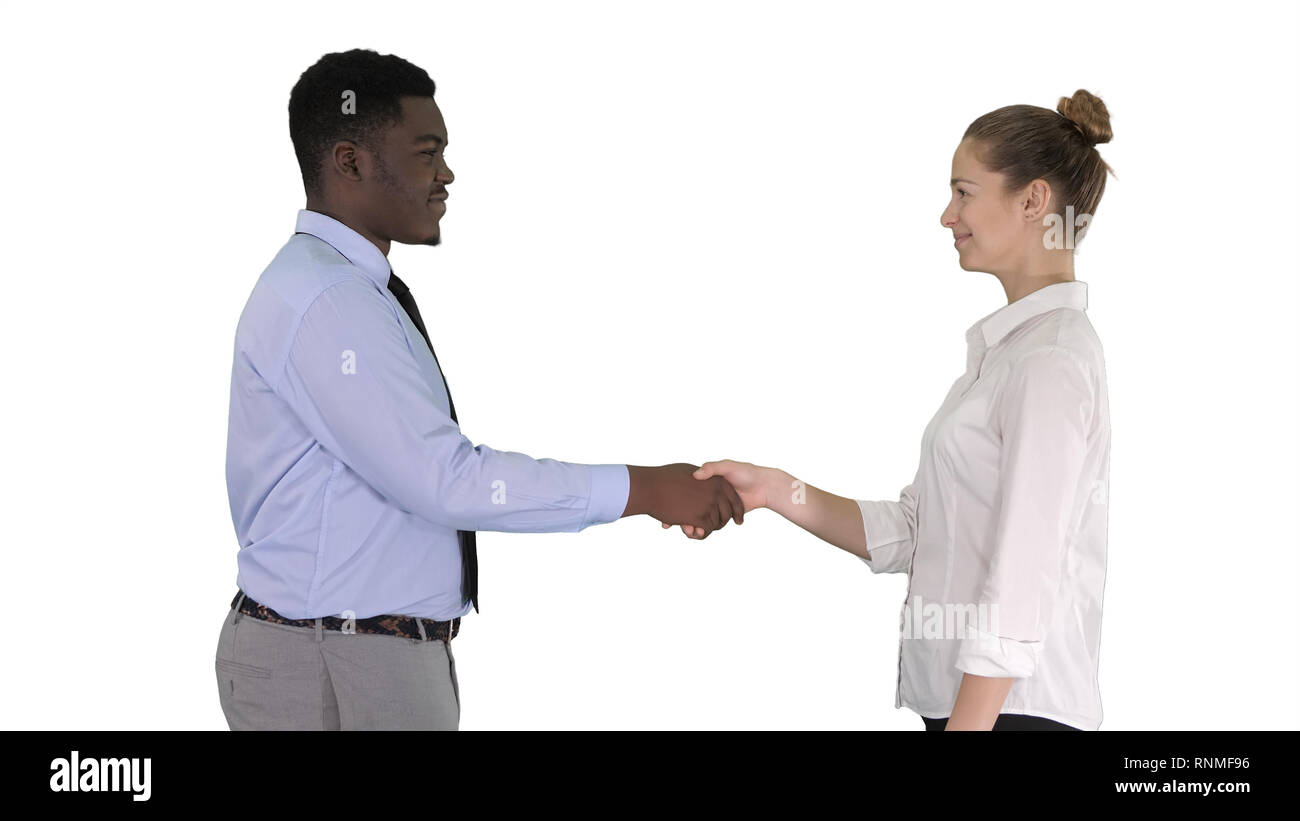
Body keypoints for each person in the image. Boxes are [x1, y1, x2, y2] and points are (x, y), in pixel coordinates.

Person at [215, 49, 745, 731]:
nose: (446, 174)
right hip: (336, 660)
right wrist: (645, 489)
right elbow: (446, 479)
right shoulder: (329, 302)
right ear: (349, 162)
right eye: (425, 152)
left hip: (346, 651)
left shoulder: (338, 288)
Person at [673, 91, 1116, 731]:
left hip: (1011, 714)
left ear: (1032, 201)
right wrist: (774, 489)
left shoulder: (1050, 361)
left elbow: (1024, 576)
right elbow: (918, 532)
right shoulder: (1008, 354)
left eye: (964, 192)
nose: (947, 214)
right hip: (983, 711)